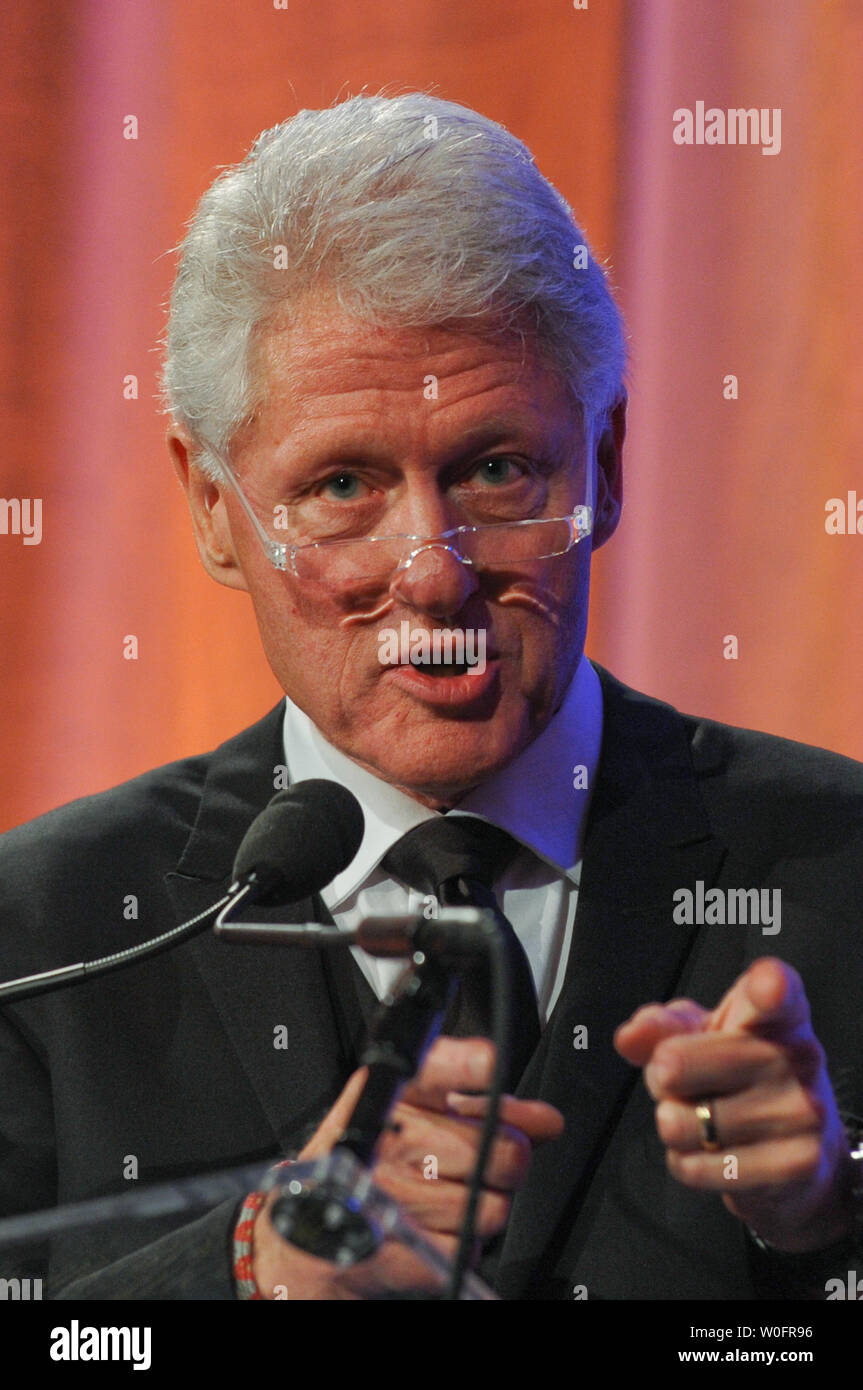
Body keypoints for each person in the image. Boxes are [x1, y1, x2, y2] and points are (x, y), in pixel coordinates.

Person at [1, 92, 861, 1302]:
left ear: (604, 468)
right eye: (342, 483)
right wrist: (251, 1271)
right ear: (212, 508)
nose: (434, 567)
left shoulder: (841, 867)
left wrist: (826, 1215)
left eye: (498, 469)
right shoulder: (44, 940)